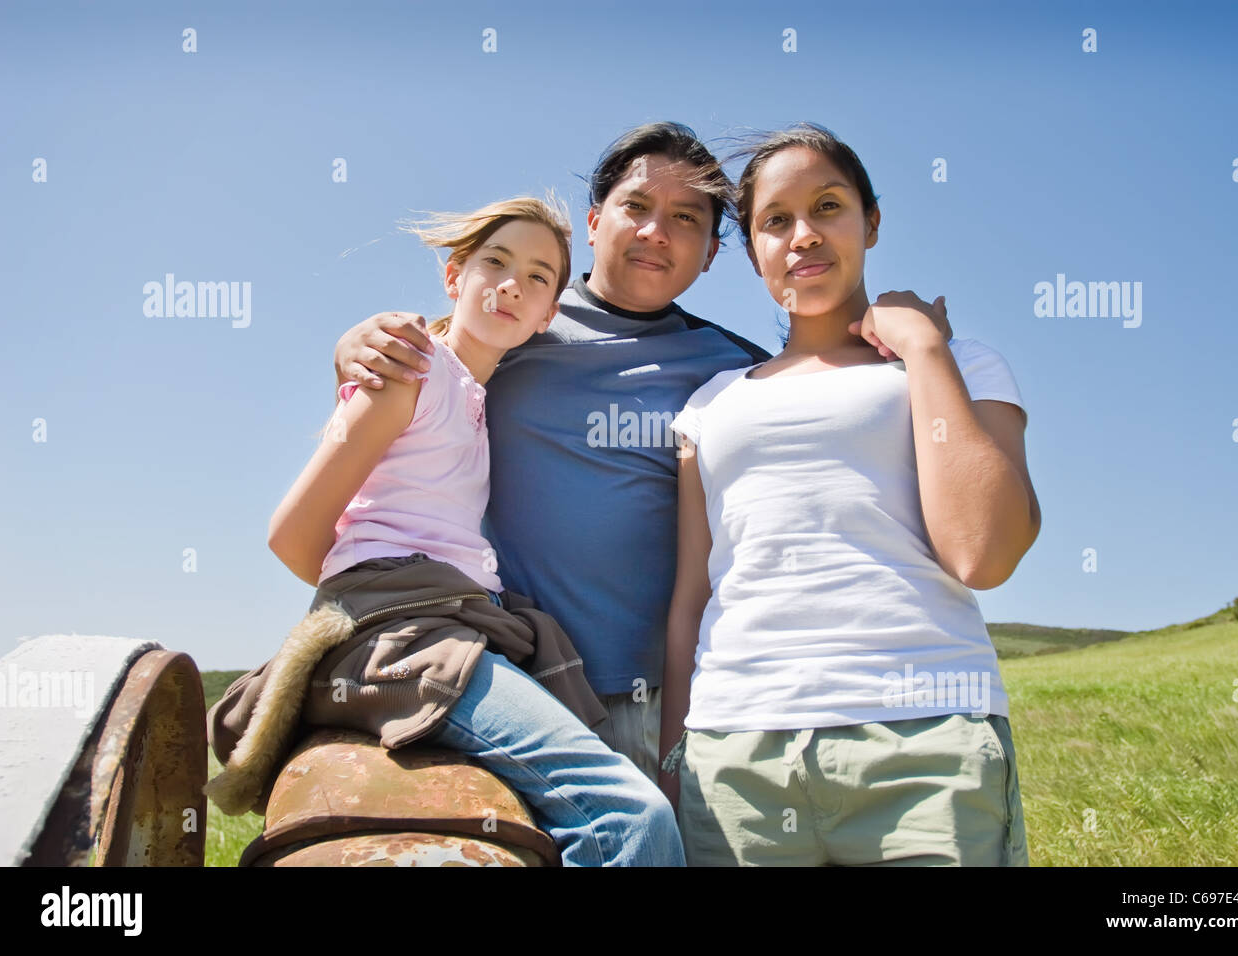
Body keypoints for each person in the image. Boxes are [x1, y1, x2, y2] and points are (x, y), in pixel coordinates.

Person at [221, 196, 684, 866]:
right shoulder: (413, 366)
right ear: (452, 277)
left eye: (536, 277)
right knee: (630, 815)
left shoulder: (477, 394)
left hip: (459, 623)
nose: (511, 286)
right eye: (494, 262)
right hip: (404, 634)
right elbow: (291, 534)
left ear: (549, 312)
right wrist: (380, 591)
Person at [331, 124, 775, 781]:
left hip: (673, 698)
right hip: (510, 680)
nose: (657, 231)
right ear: (594, 223)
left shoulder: (737, 370)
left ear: (710, 253)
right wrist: (351, 346)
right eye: (636, 207)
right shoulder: (517, 322)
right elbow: (411, 393)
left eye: (685, 219)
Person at [659, 123, 1040, 866]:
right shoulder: (707, 405)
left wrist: (924, 347)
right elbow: (690, 599)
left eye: (827, 207)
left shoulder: (961, 363)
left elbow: (983, 554)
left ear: (871, 221)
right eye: (775, 221)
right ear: (753, 250)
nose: (803, 235)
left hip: (925, 739)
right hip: (735, 755)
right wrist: (674, 761)